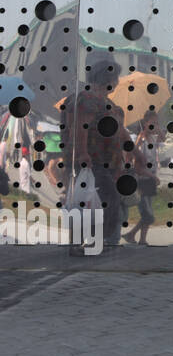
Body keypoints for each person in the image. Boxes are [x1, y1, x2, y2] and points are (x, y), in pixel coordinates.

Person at [63, 60, 130, 249]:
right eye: (115, 77)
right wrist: (83, 154)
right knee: (103, 200)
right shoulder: (87, 99)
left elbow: (121, 132)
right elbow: (80, 127)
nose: (117, 82)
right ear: (106, 78)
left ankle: (90, 242)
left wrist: (136, 154)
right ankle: (90, 242)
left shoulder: (106, 103)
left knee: (96, 201)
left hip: (104, 162)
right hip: (93, 162)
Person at [123, 109, 163, 246]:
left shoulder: (152, 138)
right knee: (148, 214)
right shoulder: (140, 139)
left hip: (150, 179)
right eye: (152, 123)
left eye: (157, 123)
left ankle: (139, 238)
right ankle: (133, 234)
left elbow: (162, 138)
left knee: (148, 211)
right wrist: (153, 176)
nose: (155, 126)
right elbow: (138, 167)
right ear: (145, 123)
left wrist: (159, 129)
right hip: (142, 180)